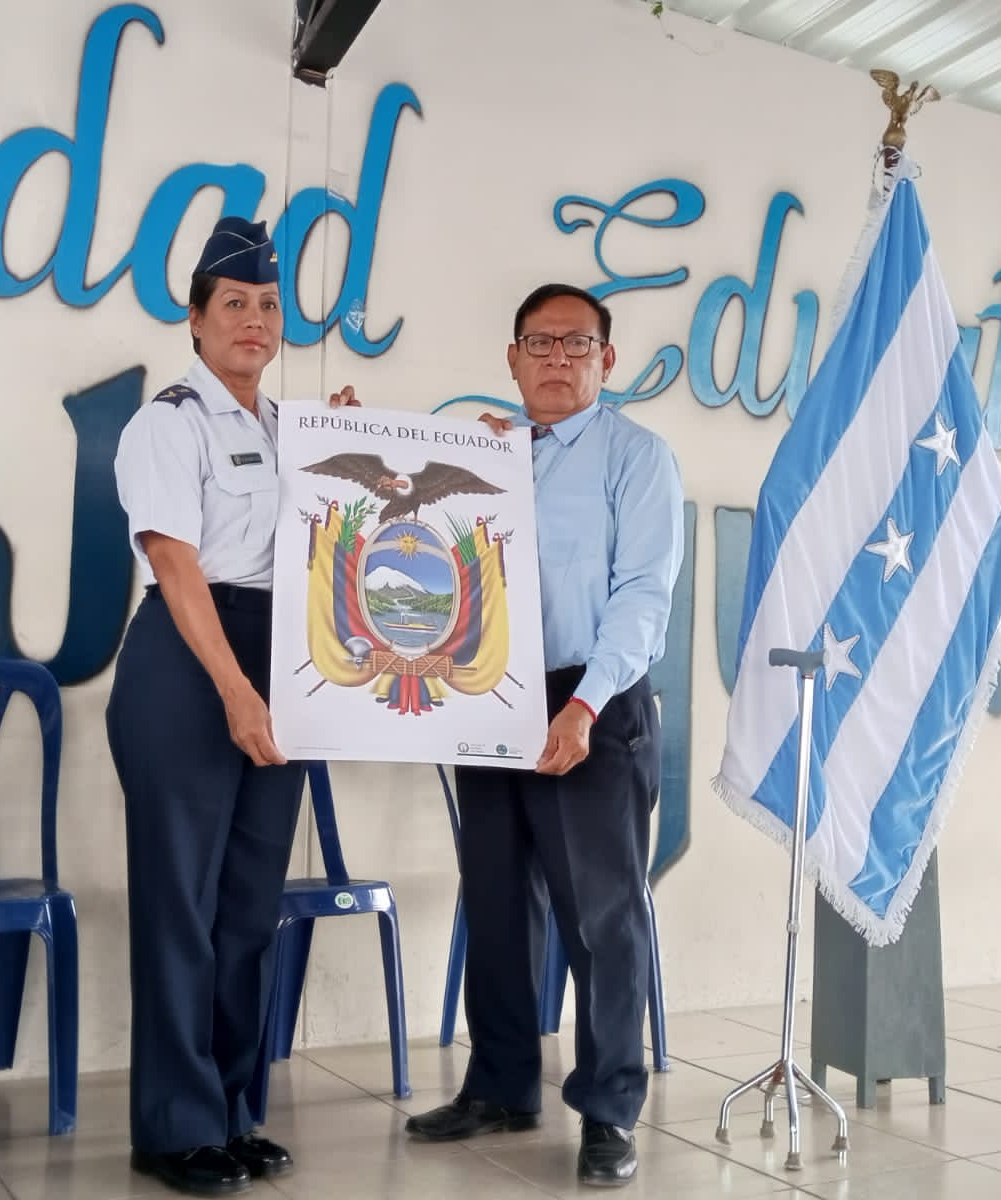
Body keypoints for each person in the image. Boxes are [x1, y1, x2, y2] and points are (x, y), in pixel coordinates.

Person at [403, 284, 682, 1187]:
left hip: (592, 698)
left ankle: (607, 1110)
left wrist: (585, 706)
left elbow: (643, 595)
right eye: (539, 342)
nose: (557, 358)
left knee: (601, 914)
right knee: (493, 897)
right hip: (488, 696)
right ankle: (501, 1085)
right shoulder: (482, 454)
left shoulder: (637, 458)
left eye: (577, 344)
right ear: (512, 358)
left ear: (608, 358)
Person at [107, 216, 357, 1198]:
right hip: (190, 660)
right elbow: (175, 562)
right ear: (197, 322)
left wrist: (351, 434)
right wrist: (236, 688)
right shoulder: (168, 420)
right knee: (183, 905)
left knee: (249, 906)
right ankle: (172, 1128)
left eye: (265, 306)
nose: (253, 322)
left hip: (279, 657)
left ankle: (232, 1110)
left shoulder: (285, 426)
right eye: (233, 306)